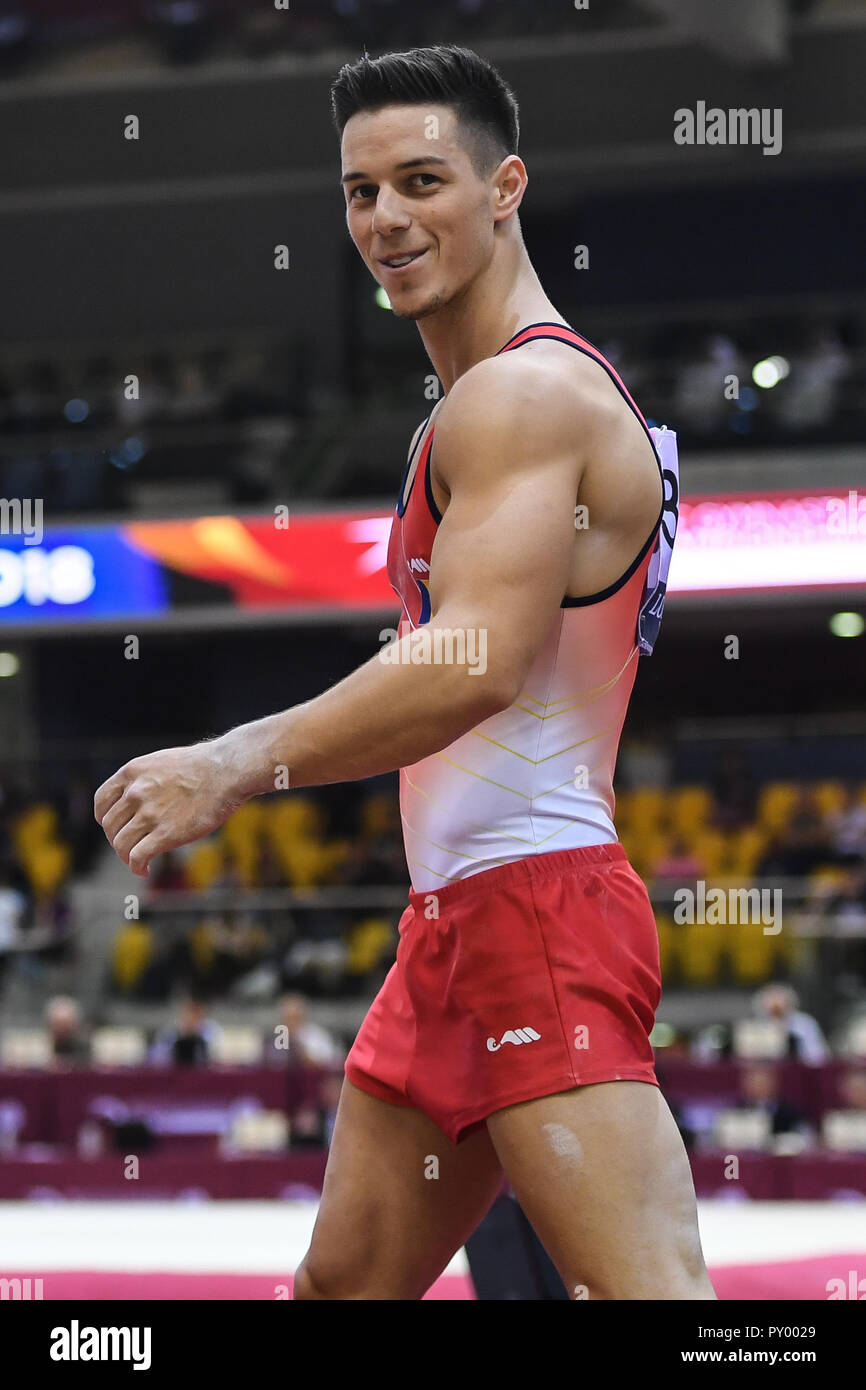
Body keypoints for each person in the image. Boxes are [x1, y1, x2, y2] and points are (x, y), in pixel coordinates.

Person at [93, 45, 711, 1300]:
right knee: (338, 1294)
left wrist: (236, 757)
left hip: (534, 908)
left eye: (420, 180)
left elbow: (473, 665)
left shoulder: (524, 397)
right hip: (460, 919)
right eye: (359, 191)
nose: (382, 218)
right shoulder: (493, 400)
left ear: (505, 187)